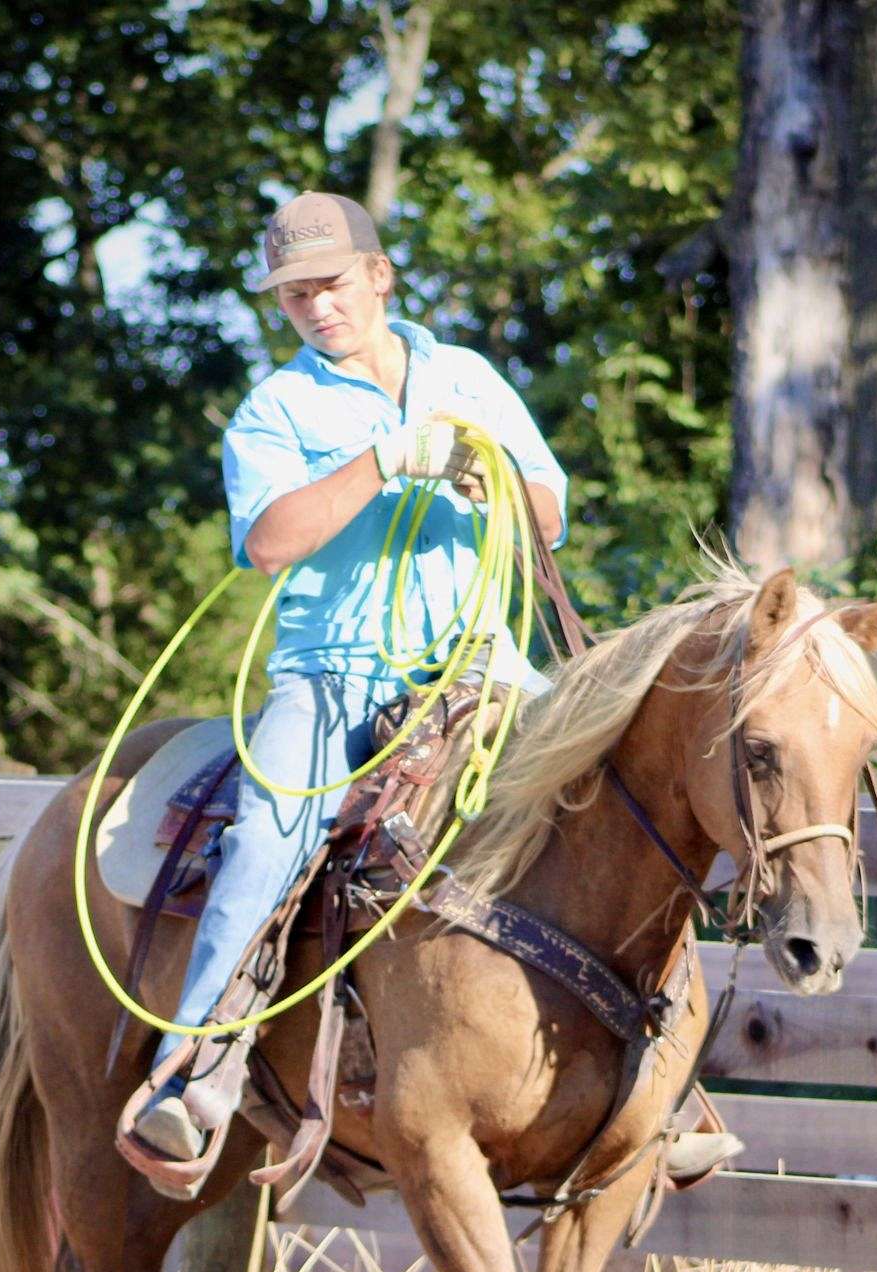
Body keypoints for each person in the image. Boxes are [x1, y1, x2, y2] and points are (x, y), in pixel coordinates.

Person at [137, 190, 567, 1159]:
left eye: (330, 284)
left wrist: (491, 475)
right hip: (334, 674)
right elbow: (270, 542)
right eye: (294, 296)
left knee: (614, 788)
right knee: (271, 832)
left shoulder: (469, 378)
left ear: (378, 275)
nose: (317, 307)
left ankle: (662, 1076)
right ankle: (194, 1069)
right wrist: (385, 459)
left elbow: (547, 513)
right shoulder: (275, 408)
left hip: (477, 668)